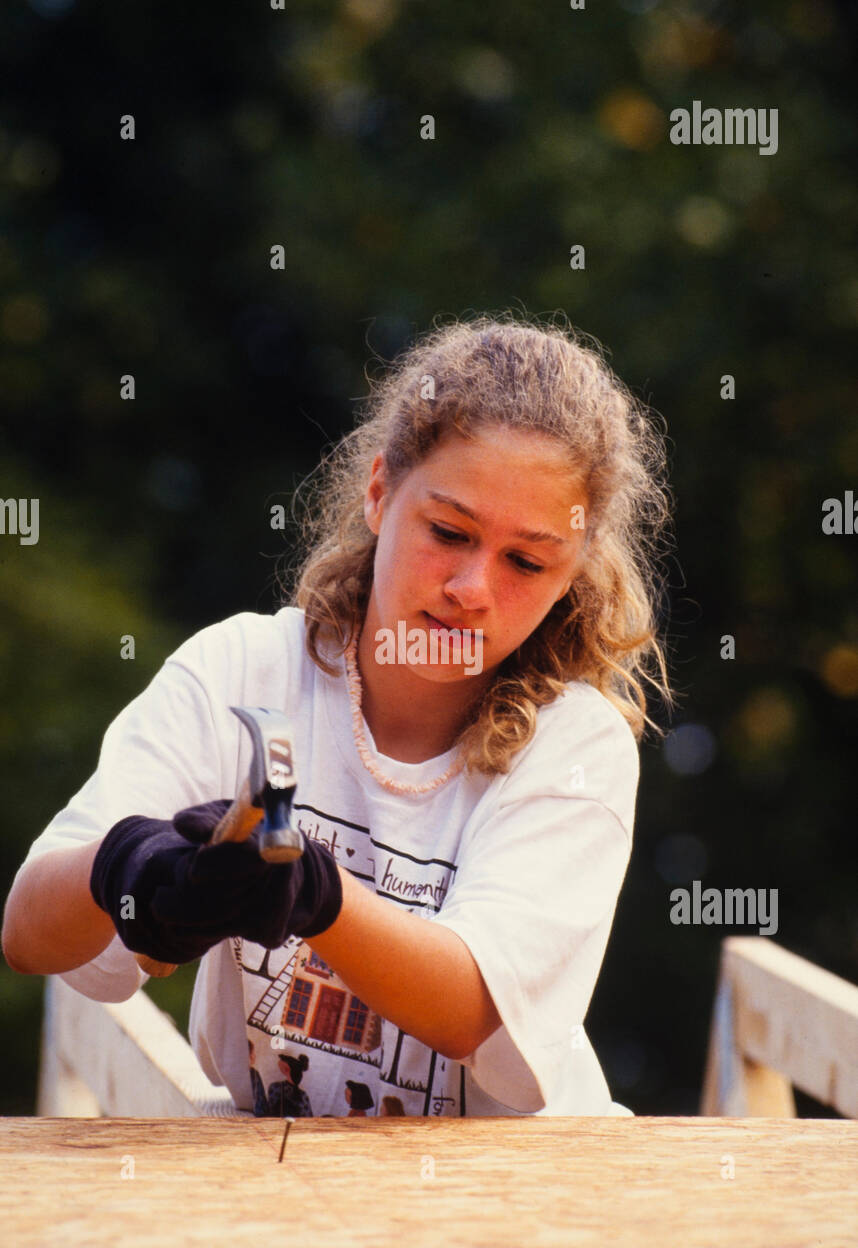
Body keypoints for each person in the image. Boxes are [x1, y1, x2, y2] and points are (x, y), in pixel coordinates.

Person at [2, 313, 673, 1120]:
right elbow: (28, 934)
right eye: (449, 531)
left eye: (527, 562)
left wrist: (313, 893)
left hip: (516, 1210)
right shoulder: (243, 669)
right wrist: (126, 866)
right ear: (380, 493)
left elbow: (465, 1013)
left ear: (572, 575)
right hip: (289, 1190)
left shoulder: (576, 743)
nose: (471, 588)